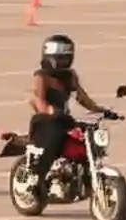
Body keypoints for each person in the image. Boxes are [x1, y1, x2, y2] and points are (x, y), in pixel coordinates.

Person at [25, 34, 117, 198]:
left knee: (86, 138)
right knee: (53, 140)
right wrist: (50, 110)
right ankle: (36, 181)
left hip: (62, 119)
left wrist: (101, 110)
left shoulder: (70, 76)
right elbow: (38, 99)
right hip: (45, 119)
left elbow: (82, 97)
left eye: (66, 57)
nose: (63, 62)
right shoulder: (41, 76)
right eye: (60, 58)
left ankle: (85, 178)